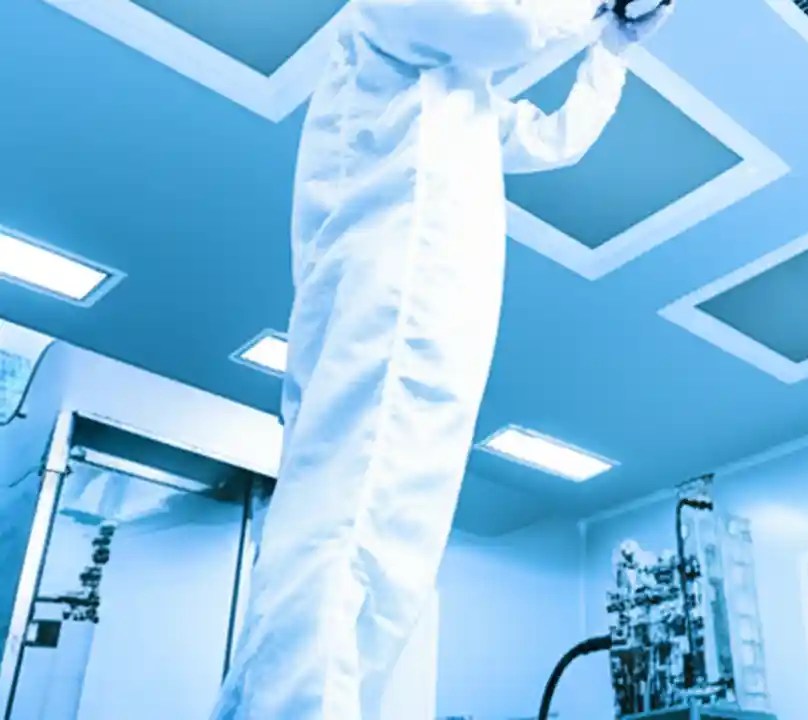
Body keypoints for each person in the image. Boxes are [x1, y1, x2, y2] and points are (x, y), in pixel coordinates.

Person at [210, 1, 674, 717]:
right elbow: (510, 28)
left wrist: (612, 48)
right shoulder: (387, 14)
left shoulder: (461, 92)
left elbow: (556, 141)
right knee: (349, 518)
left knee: (395, 550)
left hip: (437, 310)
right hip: (386, 293)